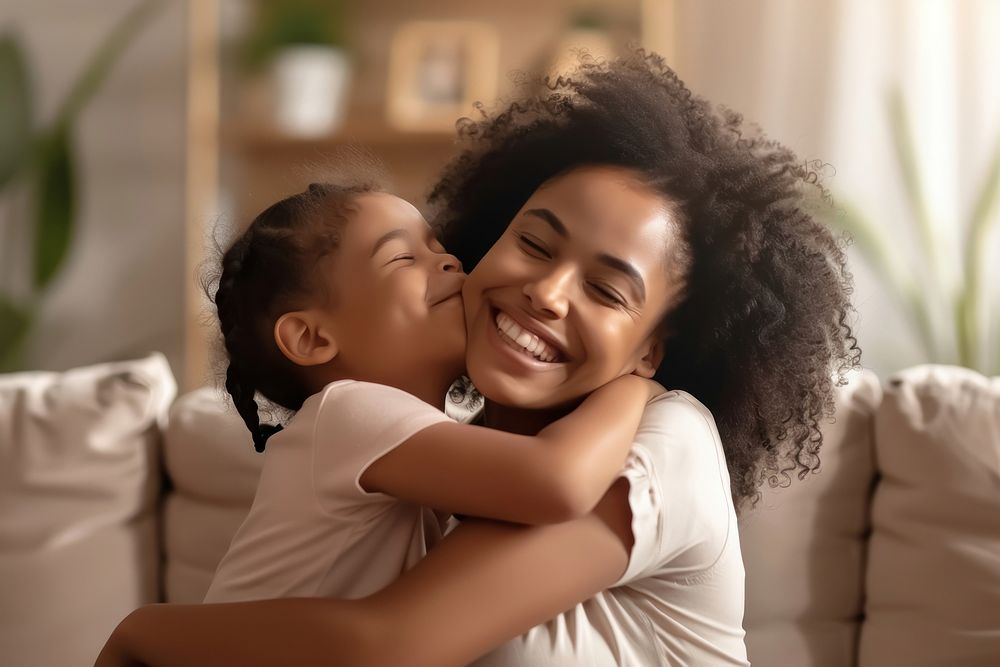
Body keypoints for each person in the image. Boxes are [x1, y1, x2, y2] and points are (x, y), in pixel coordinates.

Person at [96, 50, 858, 666]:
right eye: (533, 241)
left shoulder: (668, 439)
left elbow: (391, 640)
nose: (548, 293)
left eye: (606, 287)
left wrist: (143, 633)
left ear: (652, 348)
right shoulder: (434, 447)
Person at [201, 178, 660, 604]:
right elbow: (556, 483)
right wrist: (631, 387)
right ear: (313, 339)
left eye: (436, 246)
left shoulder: (405, 443)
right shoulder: (348, 413)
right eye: (403, 258)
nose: (450, 261)